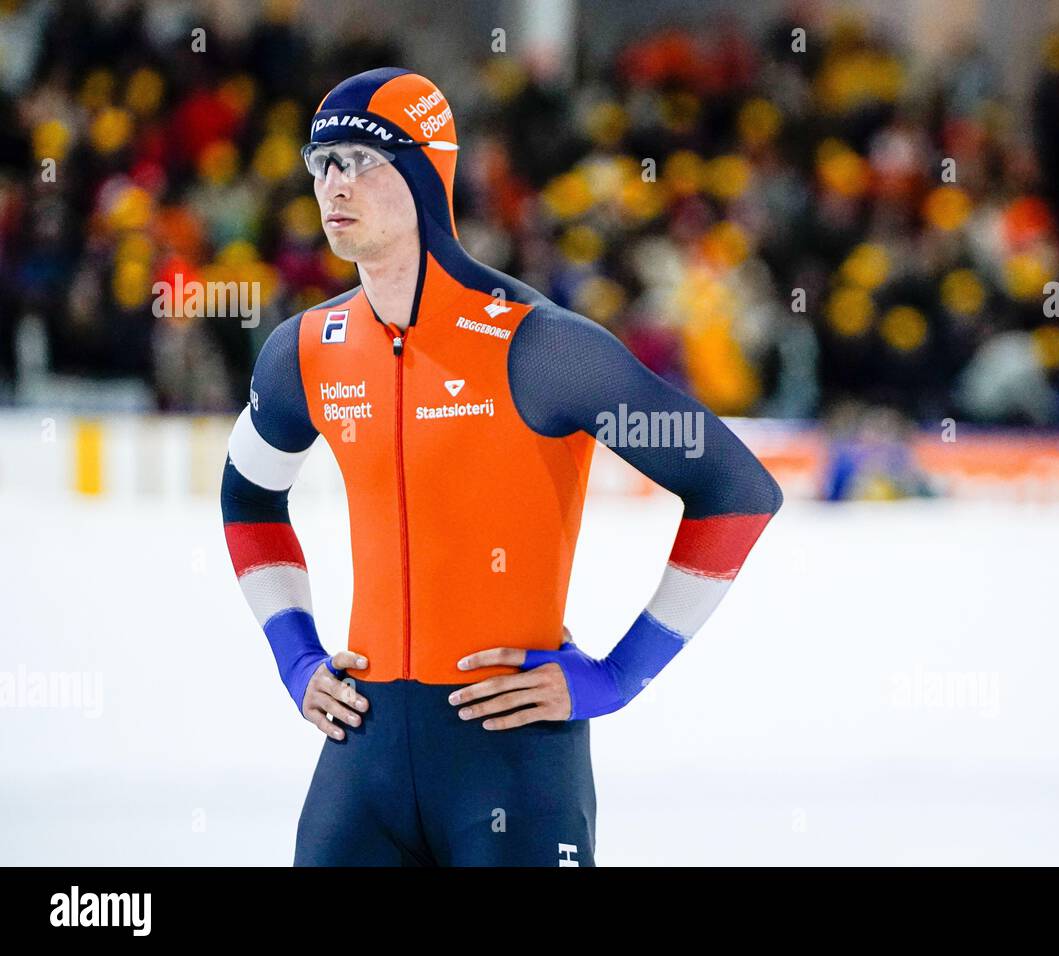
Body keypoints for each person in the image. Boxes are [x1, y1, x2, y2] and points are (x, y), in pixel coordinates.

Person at [219, 67, 783, 867]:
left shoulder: (542, 349)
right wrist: (295, 656)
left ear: (422, 172)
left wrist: (621, 676)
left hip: (512, 764)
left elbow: (737, 492)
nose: (333, 184)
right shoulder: (307, 352)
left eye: (360, 160)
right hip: (362, 756)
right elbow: (247, 498)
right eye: (321, 163)